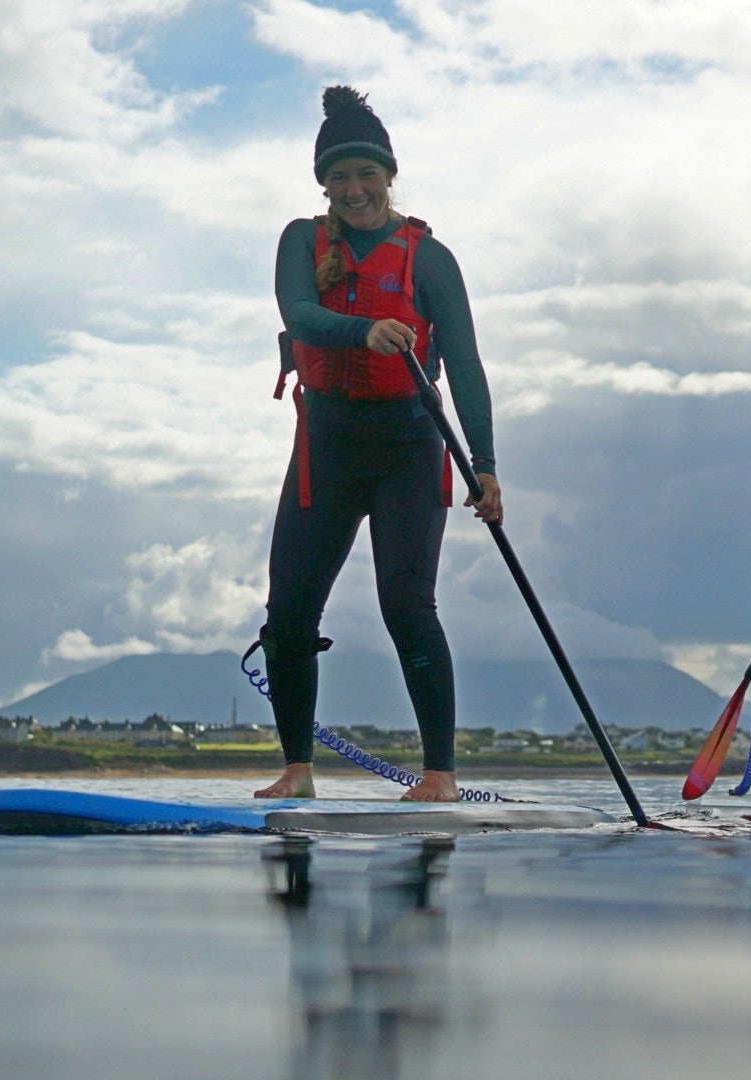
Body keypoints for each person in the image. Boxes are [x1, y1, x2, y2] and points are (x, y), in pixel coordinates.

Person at [252, 86, 501, 803]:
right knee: (290, 611)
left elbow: (470, 367)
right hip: (325, 446)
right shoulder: (302, 241)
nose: (354, 190)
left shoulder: (430, 259)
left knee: (406, 604)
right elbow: (299, 313)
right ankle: (297, 769)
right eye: (339, 178)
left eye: (367, 175)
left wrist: (485, 468)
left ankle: (439, 778)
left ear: (389, 175)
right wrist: (362, 329)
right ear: (323, 184)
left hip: (408, 448)